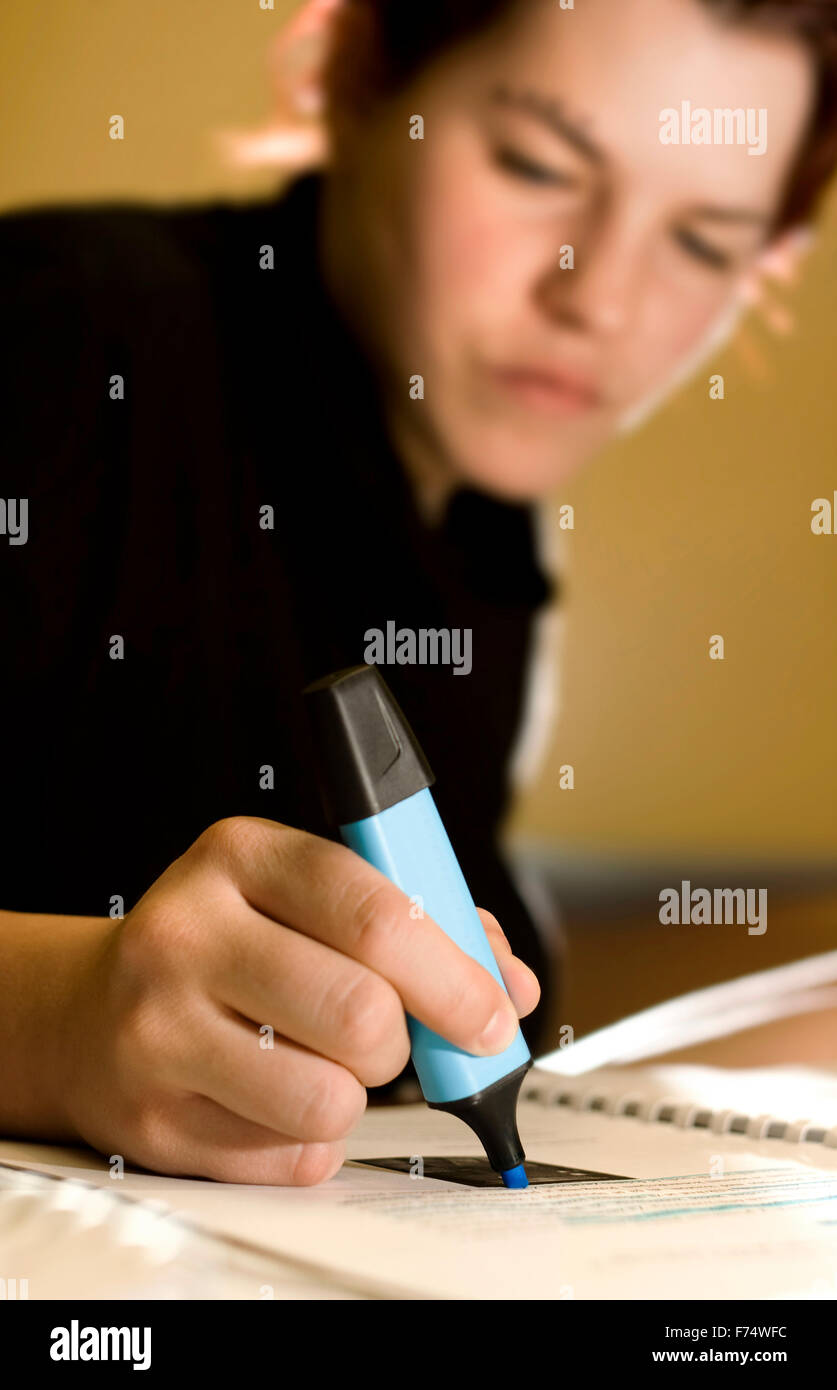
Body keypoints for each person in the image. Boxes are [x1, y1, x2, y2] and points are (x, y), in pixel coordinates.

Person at [1, 0, 834, 1185]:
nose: (598, 299)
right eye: (537, 165)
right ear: (349, 74)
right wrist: (51, 1016)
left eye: (705, 242)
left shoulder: (477, 539)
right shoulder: (66, 334)